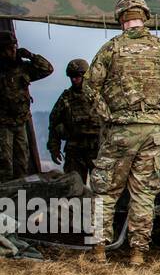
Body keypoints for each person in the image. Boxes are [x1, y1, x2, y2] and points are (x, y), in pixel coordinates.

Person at [84, 0, 160, 265]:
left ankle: (100, 250)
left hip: (121, 131)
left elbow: (90, 86)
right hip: (151, 132)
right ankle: (138, 253)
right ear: (144, 15)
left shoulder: (111, 49)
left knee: (105, 191)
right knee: (143, 194)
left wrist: (108, 115)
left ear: (121, 18)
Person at [0, 31, 53, 182]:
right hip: (3, 124)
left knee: (22, 161)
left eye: (14, 47)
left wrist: (32, 56)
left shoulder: (22, 67)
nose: (13, 51)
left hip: (20, 121)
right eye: (9, 48)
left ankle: (19, 197)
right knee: (4, 163)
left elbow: (47, 69)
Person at [47, 59, 101, 183]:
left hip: (97, 148)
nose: (74, 80)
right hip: (75, 150)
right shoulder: (66, 98)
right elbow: (54, 123)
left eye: (77, 76)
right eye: (71, 77)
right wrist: (54, 148)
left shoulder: (98, 95)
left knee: (101, 189)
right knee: (73, 188)